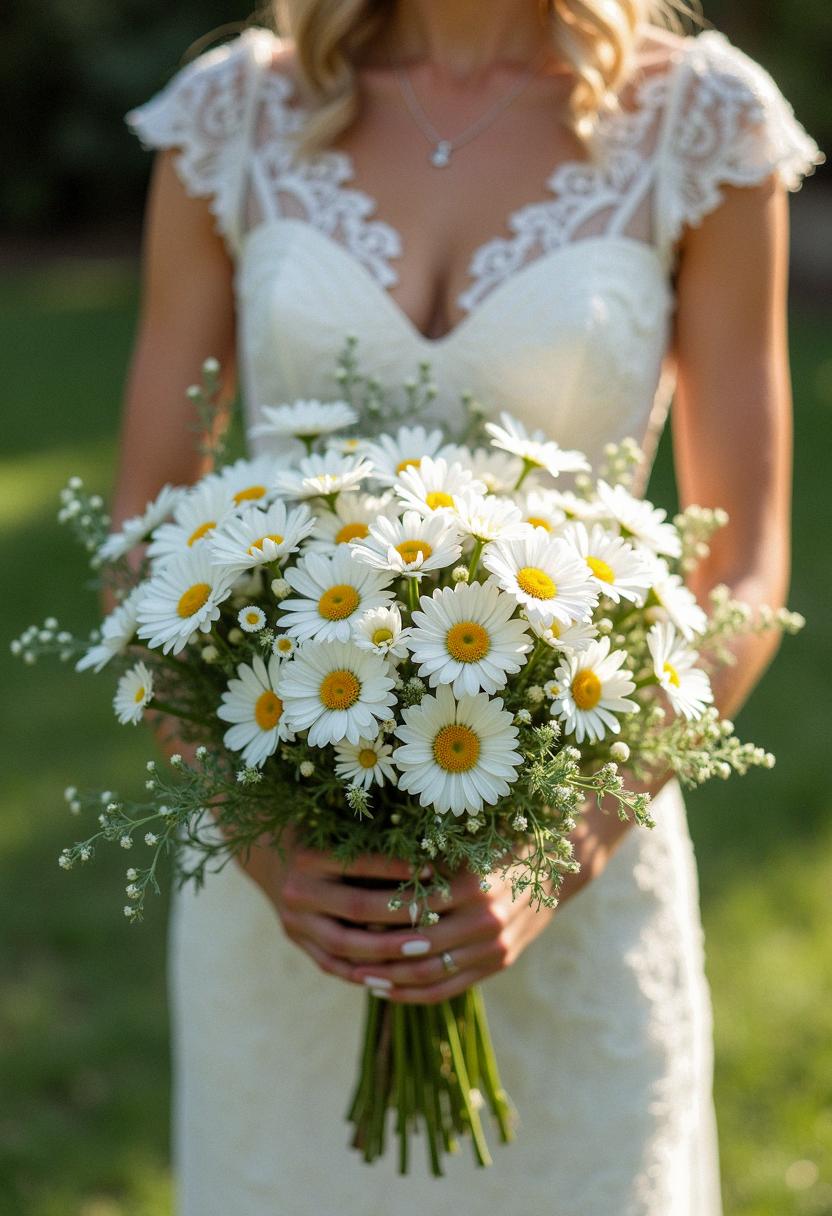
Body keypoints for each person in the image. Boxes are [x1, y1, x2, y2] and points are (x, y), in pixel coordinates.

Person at [114, 1, 823, 1212]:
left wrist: (565, 849)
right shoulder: (233, 115)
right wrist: (262, 839)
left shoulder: (700, 122)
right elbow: (141, 540)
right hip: (290, 895)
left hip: (574, 862)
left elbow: (743, 567)